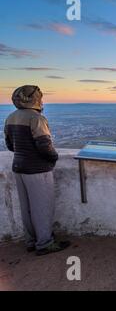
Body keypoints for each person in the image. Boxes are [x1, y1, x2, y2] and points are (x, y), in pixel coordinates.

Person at [3, 85, 70, 256]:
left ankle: (31, 241)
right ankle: (45, 243)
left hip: (19, 168)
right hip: (37, 170)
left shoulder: (10, 118)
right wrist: (53, 158)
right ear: (35, 99)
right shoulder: (37, 118)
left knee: (26, 208)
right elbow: (44, 145)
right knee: (42, 207)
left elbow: (10, 146)